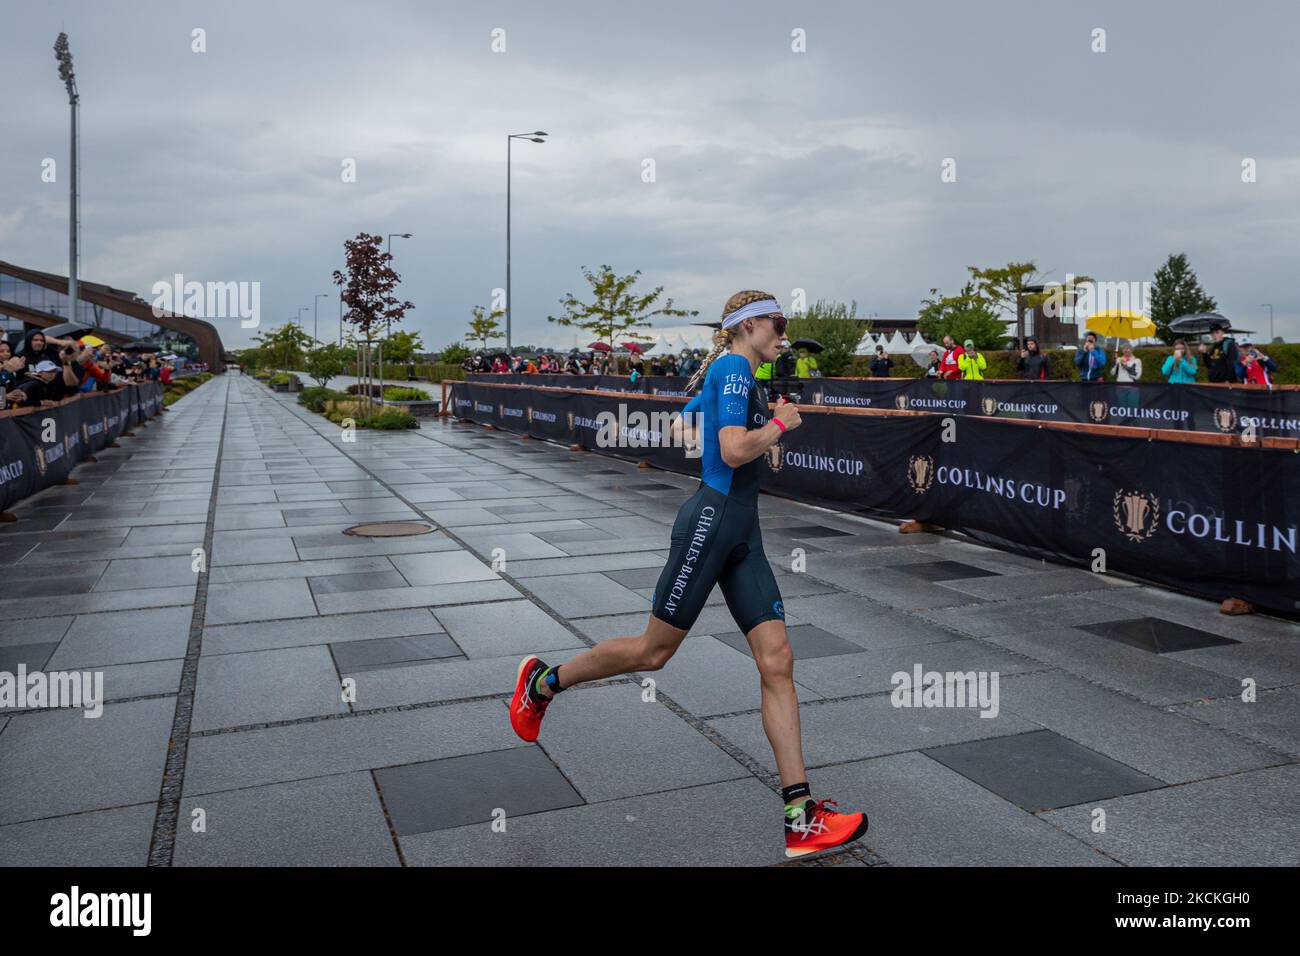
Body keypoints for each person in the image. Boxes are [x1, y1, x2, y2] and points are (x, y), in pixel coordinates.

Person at [508, 290, 869, 860]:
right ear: (749, 325)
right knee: (654, 653)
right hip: (712, 524)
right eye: (778, 323)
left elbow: (683, 427)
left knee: (777, 659)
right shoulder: (732, 367)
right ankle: (542, 682)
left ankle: (801, 817)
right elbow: (729, 453)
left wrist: (735, 421)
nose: (784, 333)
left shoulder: (736, 374)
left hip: (741, 533)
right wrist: (776, 425)